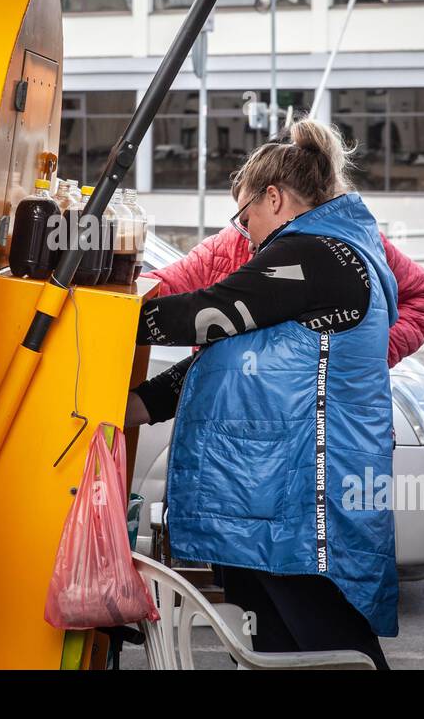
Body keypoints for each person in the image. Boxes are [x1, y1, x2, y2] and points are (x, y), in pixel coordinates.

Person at [125, 118, 398, 668]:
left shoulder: (318, 254)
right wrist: (142, 405)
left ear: (274, 197)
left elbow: (207, 315)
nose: (243, 230)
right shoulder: (323, 253)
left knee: (330, 645)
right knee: (280, 646)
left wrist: (104, 315)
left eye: (243, 213)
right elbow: (233, 356)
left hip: (308, 499)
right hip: (276, 497)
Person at [143, 161, 424, 367]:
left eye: (246, 218)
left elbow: (419, 291)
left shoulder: (342, 249)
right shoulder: (229, 243)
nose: (244, 236)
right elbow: (168, 285)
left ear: (273, 198)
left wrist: (365, 353)